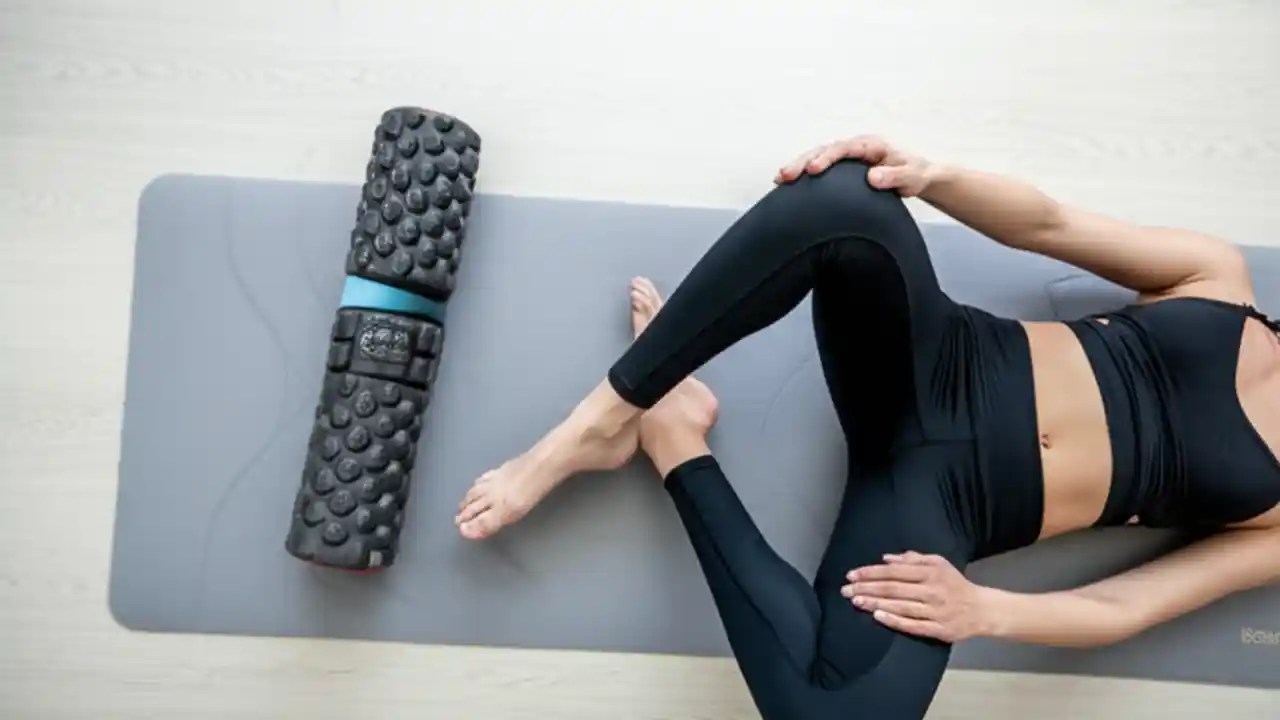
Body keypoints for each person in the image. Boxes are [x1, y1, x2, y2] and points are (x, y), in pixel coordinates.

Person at [453, 136, 1280, 719]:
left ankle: (678, 441)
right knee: (846, 194)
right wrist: (934, 176)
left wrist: (984, 611)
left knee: (836, 716)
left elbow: (1126, 606)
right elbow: (1051, 226)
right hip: (937, 360)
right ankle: (598, 420)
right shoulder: (1222, 280)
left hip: (940, 506)